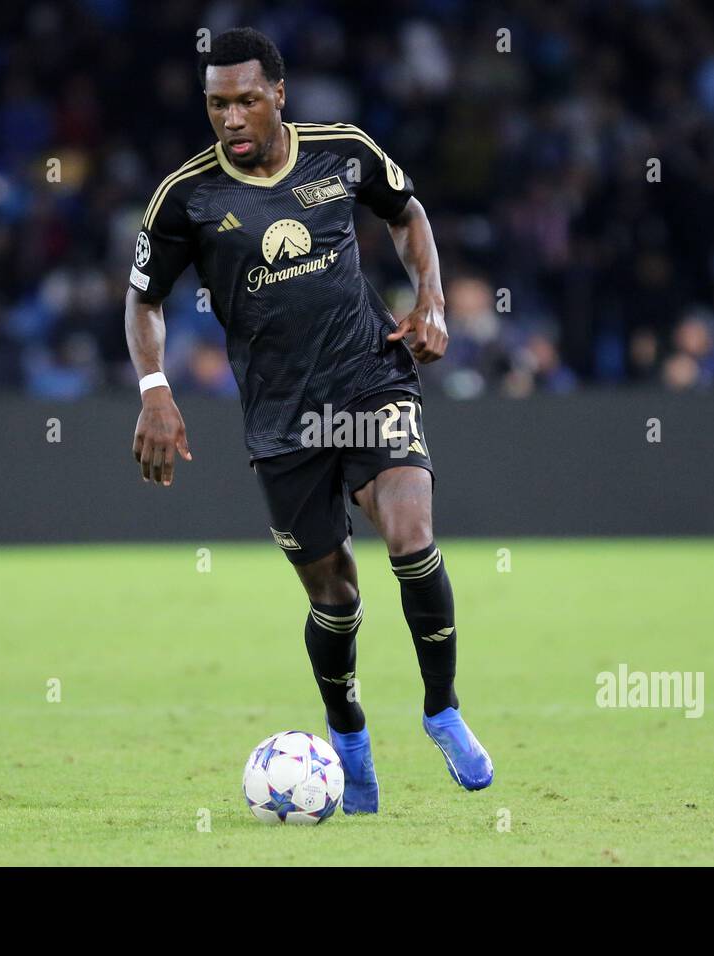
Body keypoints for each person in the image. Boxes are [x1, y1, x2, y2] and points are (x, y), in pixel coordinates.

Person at [123, 28, 492, 813]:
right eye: (217, 103)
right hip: (282, 422)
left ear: (279, 94)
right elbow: (144, 298)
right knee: (336, 598)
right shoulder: (186, 197)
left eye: (247, 99)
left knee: (411, 535)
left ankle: (443, 709)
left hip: (369, 381)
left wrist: (429, 295)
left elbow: (408, 212)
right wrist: (155, 385)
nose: (231, 116)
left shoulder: (343, 151)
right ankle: (349, 736)